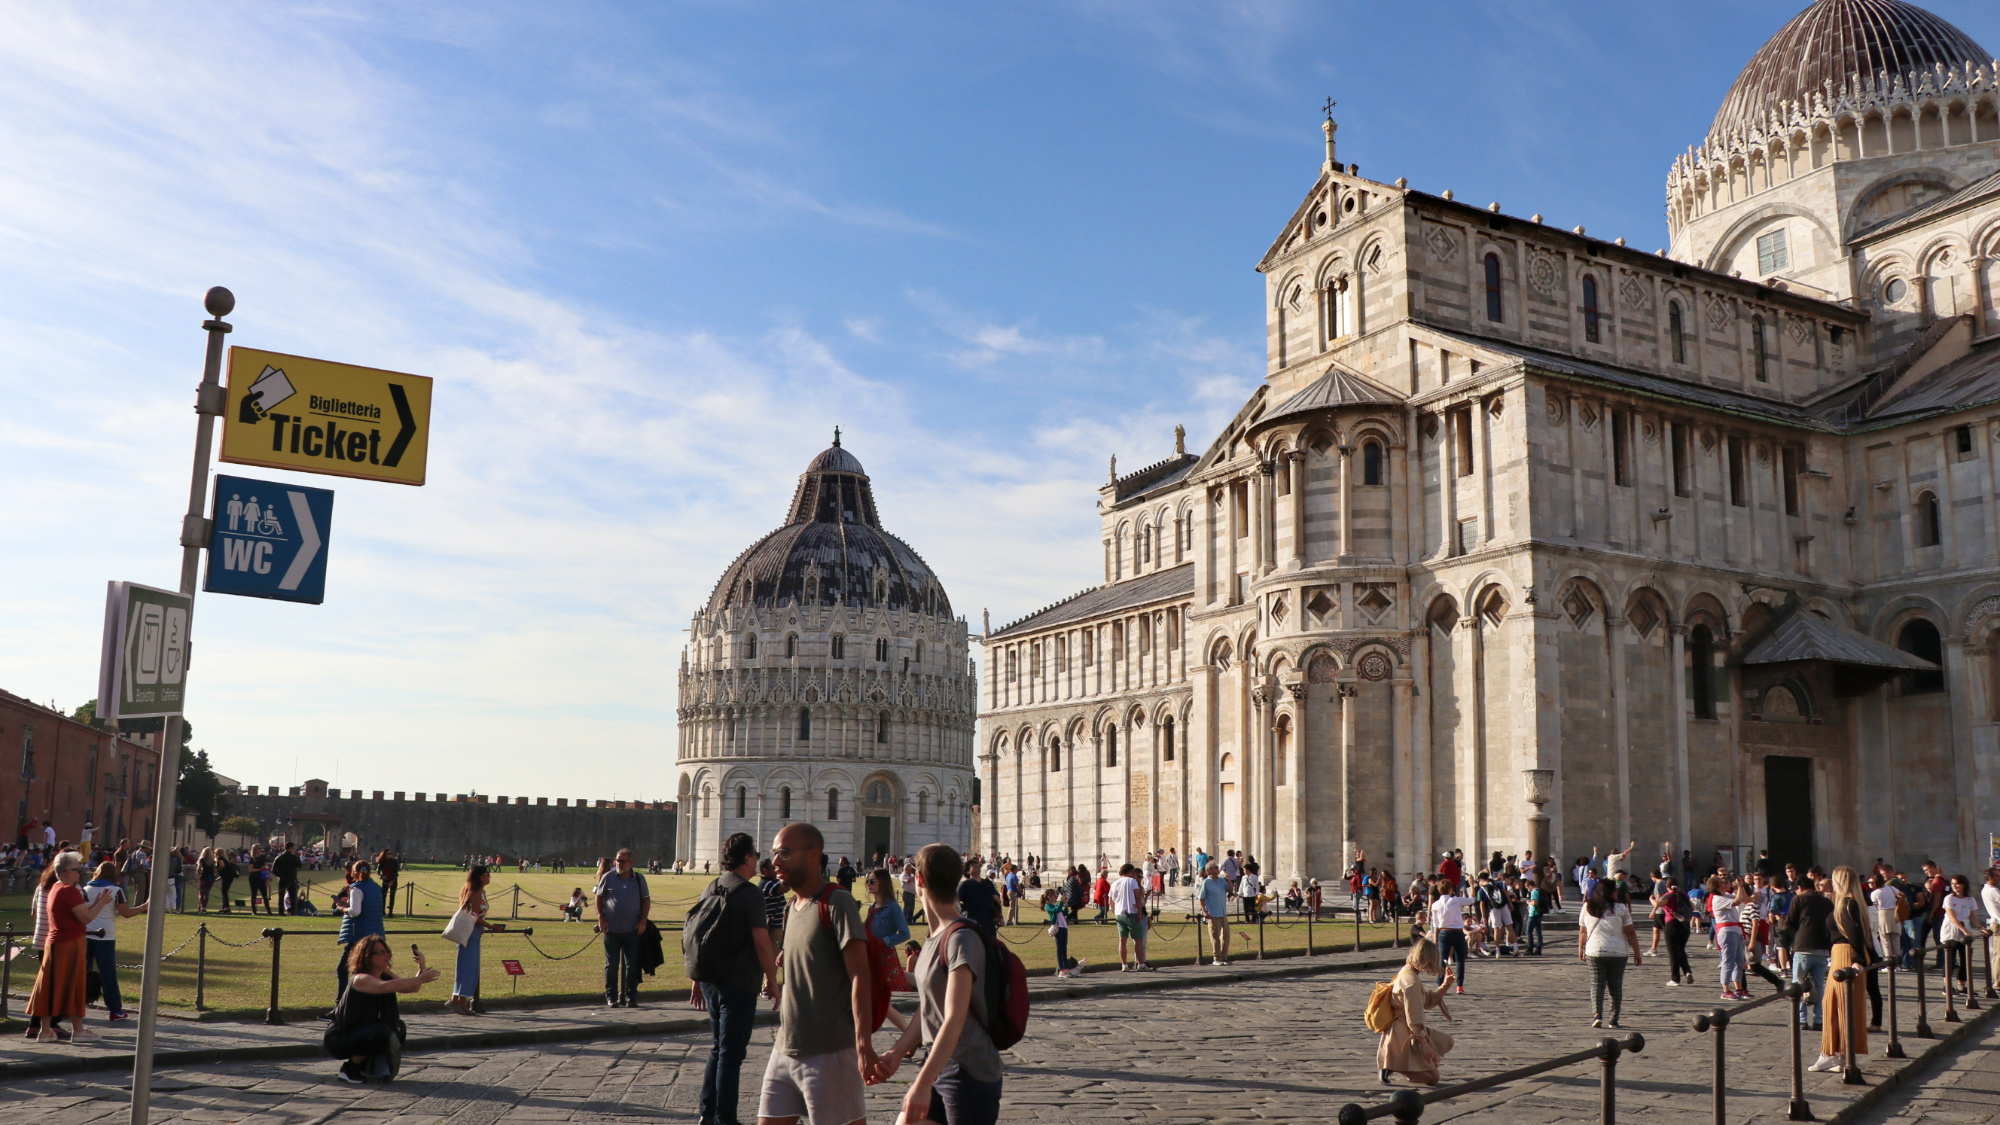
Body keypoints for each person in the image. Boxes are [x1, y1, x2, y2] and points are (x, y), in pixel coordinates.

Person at [872, 843, 1005, 1125]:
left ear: (919, 880)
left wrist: (921, 1083)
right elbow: (931, 1007)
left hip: (969, 1072)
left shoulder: (961, 939)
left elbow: (955, 1018)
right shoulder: (935, 938)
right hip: (940, 1063)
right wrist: (897, 1052)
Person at [758, 822, 874, 1125]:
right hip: (785, 1048)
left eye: (784, 853)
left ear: (813, 854)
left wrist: (863, 1045)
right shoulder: (790, 907)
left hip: (830, 1053)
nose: (775, 863)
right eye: (773, 854)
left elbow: (860, 976)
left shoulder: (837, 902)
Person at [695, 833, 778, 1125]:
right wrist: (773, 981)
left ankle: (708, 1112)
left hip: (710, 980)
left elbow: (697, 935)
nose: (757, 860)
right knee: (731, 1053)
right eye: (755, 855)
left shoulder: (711, 886)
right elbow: (763, 943)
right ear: (747, 858)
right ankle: (725, 1119)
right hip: (739, 982)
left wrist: (697, 979)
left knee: (718, 1048)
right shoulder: (750, 892)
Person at [27, 851, 117, 1042]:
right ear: (67, 871)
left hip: (55, 942)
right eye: (77, 869)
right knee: (74, 986)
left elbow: (81, 915)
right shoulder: (68, 891)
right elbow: (85, 918)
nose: (80, 873)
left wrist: (97, 903)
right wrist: (101, 902)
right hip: (69, 943)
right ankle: (78, 1030)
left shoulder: (55, 889)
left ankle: (46, 1030)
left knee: (51, 986)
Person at [325, 936, 440, 1083]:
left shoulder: (387, 975)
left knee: (397, 1026)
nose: (386, 955)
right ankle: (350, 1068)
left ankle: (368, 1065)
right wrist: (421, 978)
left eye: (386, 950)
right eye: (380, 952)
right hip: (340, 1038)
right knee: (381, 1031)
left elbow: (412, 988)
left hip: (363, 1032)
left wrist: (421, 967)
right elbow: (384, 987)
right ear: (367, 956)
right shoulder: (360, 978)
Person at [1812, 866, 1873, 1073]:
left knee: (1833, 1003)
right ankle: (1843, 1055)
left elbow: (1854, 933)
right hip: (1845, 953)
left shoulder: (1846, 903)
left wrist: (1857, 959)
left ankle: (1830, 1053)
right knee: (1843, 1005)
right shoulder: (1851, 902)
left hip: (1844, 955)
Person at [1378, 936, 1455, 1086]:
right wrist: (1424, 1045)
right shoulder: (1411, 982)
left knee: (1447, 1042)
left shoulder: (1408, 971)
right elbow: (1414, 1018)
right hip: (1402, 1032)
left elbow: (1426, 1001)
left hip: (1406, 1028)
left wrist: (1445, 985)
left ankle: (1401, 1065)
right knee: (1432, 1078)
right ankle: (1392, 1064)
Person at [82, 860, 149, 1023]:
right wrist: (143, 907)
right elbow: (125, 913)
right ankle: (115, 1009)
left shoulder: (85, 889)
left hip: (85, 933)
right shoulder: (115, 890)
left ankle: (75, 1005)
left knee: (82, 972)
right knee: (108, 974)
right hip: (105, 936)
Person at [1577, 877, 1641, 1029]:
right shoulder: (1620, 908)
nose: (1617, 892)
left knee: (1597, 984)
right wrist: (1637, 952)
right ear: (1609, 891)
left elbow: (1583, 931)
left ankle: (1597, 1015)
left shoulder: (1587, 906)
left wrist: (1581, 948)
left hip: (1595, 950)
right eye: (1614, 889)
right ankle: (1613, 1019)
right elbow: (1630, 932)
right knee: (1615, 986)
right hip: (1618, 951)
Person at [594, 848, 652, 1008]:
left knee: (632, 965)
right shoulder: (608, 877)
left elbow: (646, 900)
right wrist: (601, 917)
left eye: (622, 861)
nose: (618, 863)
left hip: (633, 930)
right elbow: (598, 897)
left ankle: (631, 996)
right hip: (611, 930)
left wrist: (643, 921)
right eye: (617, 860)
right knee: (611, 966)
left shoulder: (639, 879)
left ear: (631, 863)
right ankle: (611, 996)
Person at [1787, 869, 1835, 1030]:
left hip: (1803, 946)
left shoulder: (1799, 900)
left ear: (1800, 887)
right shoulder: (1827, 902)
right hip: (1822, 947)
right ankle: (1819, 1019)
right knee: (1820, 985)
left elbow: (1790, 923)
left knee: (1799, 984)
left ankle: (1801, 1019)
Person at [335, 860, 386, 1006]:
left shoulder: (356, 888)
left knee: (343, 969)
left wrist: (342, 908)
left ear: (354, 872)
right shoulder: (375, 887)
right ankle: (371, 1004)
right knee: (369, 971)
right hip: (375, 934)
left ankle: (341, 1005)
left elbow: (355, 911)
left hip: (359, 934)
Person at [866, 869, 913, 1027]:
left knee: (883, 999)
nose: (869, 885)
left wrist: (884, 942)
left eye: (872, 881)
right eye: (868, 881)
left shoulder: (892, 907)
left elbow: (905, 933)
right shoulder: (872, 907)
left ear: (882, 883)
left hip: (885, 959)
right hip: (871, 957)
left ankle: (909, 1033)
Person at [448, 865, 490, 1016]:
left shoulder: (476, 891)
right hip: (471, 932)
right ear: (480, 876)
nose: (489, 876)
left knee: (468, 966)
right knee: (468, 966)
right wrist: (491, 926)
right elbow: (474, 916)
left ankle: (458, 999)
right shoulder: (476, 892)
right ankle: (459, 1001)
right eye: (487, 874)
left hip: (474, 931)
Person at [1938, 873, 1982, 1005]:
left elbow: (1973, 916)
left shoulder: (1970, 900)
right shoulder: (1949, 899)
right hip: (1951, 930)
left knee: (1965, 959)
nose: (1955, 886)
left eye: (1957, 883)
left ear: (1964, 885)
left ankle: (1962, 986)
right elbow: (1952, 916)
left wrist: (1980, 928)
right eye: (1952, 884)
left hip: (1965, 929)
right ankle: (1947, 985)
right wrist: (1964, 930)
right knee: (1950, 959)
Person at [1708, 875, 1752, 1000]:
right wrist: (1739, 886)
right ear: (1718, 886)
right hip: (1727, 931)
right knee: (1728, 961)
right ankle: (1725, 989)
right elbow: (1737, 901)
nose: (1728, 884)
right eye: (1724, 882)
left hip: (1736, 930)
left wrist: (1741, 886)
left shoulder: (1726, 895)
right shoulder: (1717, 898)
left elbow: (1743, 899)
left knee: (1739, 962)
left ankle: (1739, 988)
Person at [1429, 879, 1472, 994]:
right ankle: (1459, 985)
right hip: (1457, 932)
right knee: (1460, 960)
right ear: (1450, 890)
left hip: (1444, 932)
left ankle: (1440, 985)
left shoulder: (1435, 904)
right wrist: (1472, 885)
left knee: (1442, 961)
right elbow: (1471, 900)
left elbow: (1436, 924)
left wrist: (1436, 938)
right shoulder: (1456, 900)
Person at [1110, 862, 1150, 971]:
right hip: (1131, 913)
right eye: (1133, 872)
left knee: (1122, 940)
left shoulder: (1114, 883)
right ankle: (1141, 964)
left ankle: (1124, 965)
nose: (1134, 874)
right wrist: (1140, 914)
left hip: (1119, 914)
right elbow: (1137, 898)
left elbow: (1111, 901)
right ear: (1129, 871)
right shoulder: (1132, 881)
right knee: (1139, 940)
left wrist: (1115, 912)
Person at [1199, 861, 1231, 966]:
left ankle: (1224, 957)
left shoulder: (1221, 881)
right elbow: (1201, 898)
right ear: (1210, 870)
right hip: (1212, 912)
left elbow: (1230, 889)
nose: (1218, 869)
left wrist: (1229, 880)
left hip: (1222, 912)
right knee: (1215, 936)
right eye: (1216, 867)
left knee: (1226, 936)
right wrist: (1204, 910)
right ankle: (1216, 958)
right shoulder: (1206, 883)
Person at [274, 842, 302, 916]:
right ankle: (294, 912)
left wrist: (279, 875)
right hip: (292, 879)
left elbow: (273, 870)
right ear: (291, 848)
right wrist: (297, 856)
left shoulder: (279, 857)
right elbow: (300, 865)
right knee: (293, 897)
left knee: (281, 897)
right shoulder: (293, 857)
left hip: (282, 879)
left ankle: (281, 912)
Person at [377, 850, 401, 919]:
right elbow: (378, 871)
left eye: (391, 853)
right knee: (383, 896)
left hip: (393, 880)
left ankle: (390, 912)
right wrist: (381, 876)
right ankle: (382, 911)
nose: (390, 855)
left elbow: (396, 873)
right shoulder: (382, 862)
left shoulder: (394, 861)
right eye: (388, 853)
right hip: (385, 880)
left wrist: (392, 881)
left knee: (392, 896)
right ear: (385, 854)